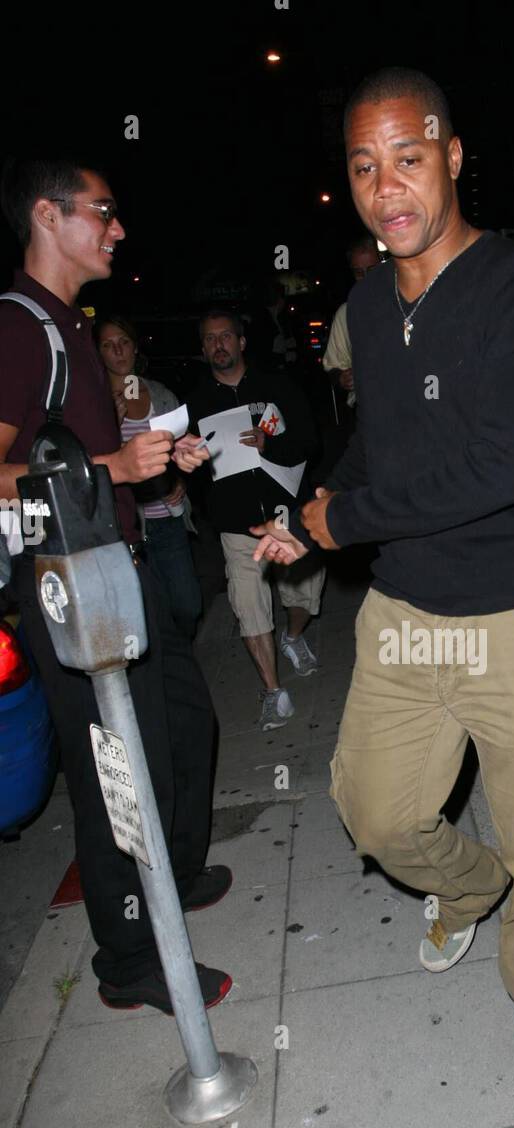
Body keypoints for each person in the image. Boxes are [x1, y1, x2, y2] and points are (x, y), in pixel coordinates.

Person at [249, 67, 514, 1110]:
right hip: (407, 615)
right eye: (363, 165)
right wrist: (316, 501)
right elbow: (379, 443)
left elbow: (500, 464)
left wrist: (341, 523)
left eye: (408, 157)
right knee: (374, 811)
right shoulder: (365, 298)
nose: (385, 185)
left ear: (451, 157)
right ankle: (465, 885)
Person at [0, 157, 232, 1014]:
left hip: (118, 572)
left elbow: (77, 460)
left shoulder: (71, 324)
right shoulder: (19, 327)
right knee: (115, 779)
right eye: (104, 212)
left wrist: (152, 460)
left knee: (184, 725)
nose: (118, 228)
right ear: (49, 216)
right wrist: (112, 463)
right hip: (70, 594)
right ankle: (131, 958)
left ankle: (167, 875)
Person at [184, 309, 322, 730]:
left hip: (287, 516)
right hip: (236, 523)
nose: (219, 344)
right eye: (210, 339)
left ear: (241, 342)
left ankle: (293, 637)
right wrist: (186, 473)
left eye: (226, 336)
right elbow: (183, 464)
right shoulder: (196, 402)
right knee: (249, 605)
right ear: (203, 348)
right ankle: (273, 691)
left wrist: (271, 442)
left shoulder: (276, 385)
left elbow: (310, 442)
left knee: (305, 595)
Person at [96, 314, 202, 639]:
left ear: (135, 347)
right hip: (126, 526)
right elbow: (92, 464)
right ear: (98, 353)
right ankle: (169, 673)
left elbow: (183, 450)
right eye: (108, 345)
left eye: (124, 342)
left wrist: (181, 481)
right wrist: (108, 425)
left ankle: (179, 658)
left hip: (169, 518)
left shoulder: (159, 394)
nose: (118, 351)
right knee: (147, 613)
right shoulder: (94, 404)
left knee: (188, 606)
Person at [322, 235, 380, 409]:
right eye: (359, 272)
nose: (366, 277)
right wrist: (342, 378)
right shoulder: (346, 313)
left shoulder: (406, 302)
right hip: (369, 407)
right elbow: (333, 367)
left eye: (372, 269)